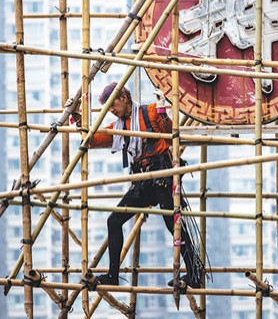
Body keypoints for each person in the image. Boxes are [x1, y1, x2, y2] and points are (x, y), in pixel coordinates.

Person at [67, 82, 205, 288]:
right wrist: (76, 117)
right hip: (143, 181)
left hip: (162, 177)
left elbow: (169, 134)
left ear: (124, 98)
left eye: (113, 105)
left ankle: (194, 273)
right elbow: (92, 140)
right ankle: (113, 276)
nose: (112, 111)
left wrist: (162, 110)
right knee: (114, 221)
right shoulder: (120, 127)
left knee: (172, 224)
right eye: (108, 108)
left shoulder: (149, 112)